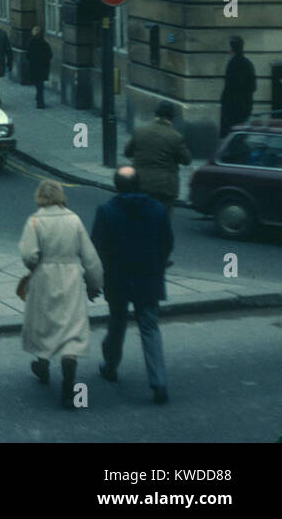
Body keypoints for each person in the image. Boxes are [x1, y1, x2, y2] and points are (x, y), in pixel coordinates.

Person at [91, 166, 173, 405]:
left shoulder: (106, 211)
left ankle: (110, 365)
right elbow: (167, 242)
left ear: (116, 186)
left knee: (117, 322)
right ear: (139, 184)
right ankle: (158, 382)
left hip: (118, 278)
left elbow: (98, 245)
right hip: (148, 277)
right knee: (150, 327)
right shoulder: (157, 209)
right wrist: (158, 263)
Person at [19, 179, 104, 409]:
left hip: (45, 277)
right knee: (71, 325)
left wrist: (35, 266)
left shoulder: (35, 221)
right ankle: (69, 381)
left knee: (44, 323)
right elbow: (90, 257)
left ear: (40, 197)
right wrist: (94, 284)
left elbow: (29, 255)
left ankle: (43, 364)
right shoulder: (74, 219)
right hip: (71, 277)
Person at [124, 101, 191, 215]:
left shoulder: (140, 132)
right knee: (162, 223)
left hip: (140, 184)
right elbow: (186, 160)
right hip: (164, 188)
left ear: (155, 115)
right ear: (172, 118)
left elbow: (127, 152)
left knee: (140, 219)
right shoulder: (176, 137)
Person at [219, 35, 256, 137]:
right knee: (241, 134)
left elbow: (229, 87)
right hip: (245, 107)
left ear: (231, 48)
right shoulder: (248, 64)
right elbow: (253, 87)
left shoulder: (232, 64)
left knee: (232, 135)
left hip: (232, 108)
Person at [27, 25, 53, 109]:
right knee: (40, 86)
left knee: (38, 85)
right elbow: (50, 55)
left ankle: (39, 101)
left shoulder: (31, 43)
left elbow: (28, 56)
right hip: (42, 68)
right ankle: (40, 101)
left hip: (34, 68)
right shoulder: (44, 44)